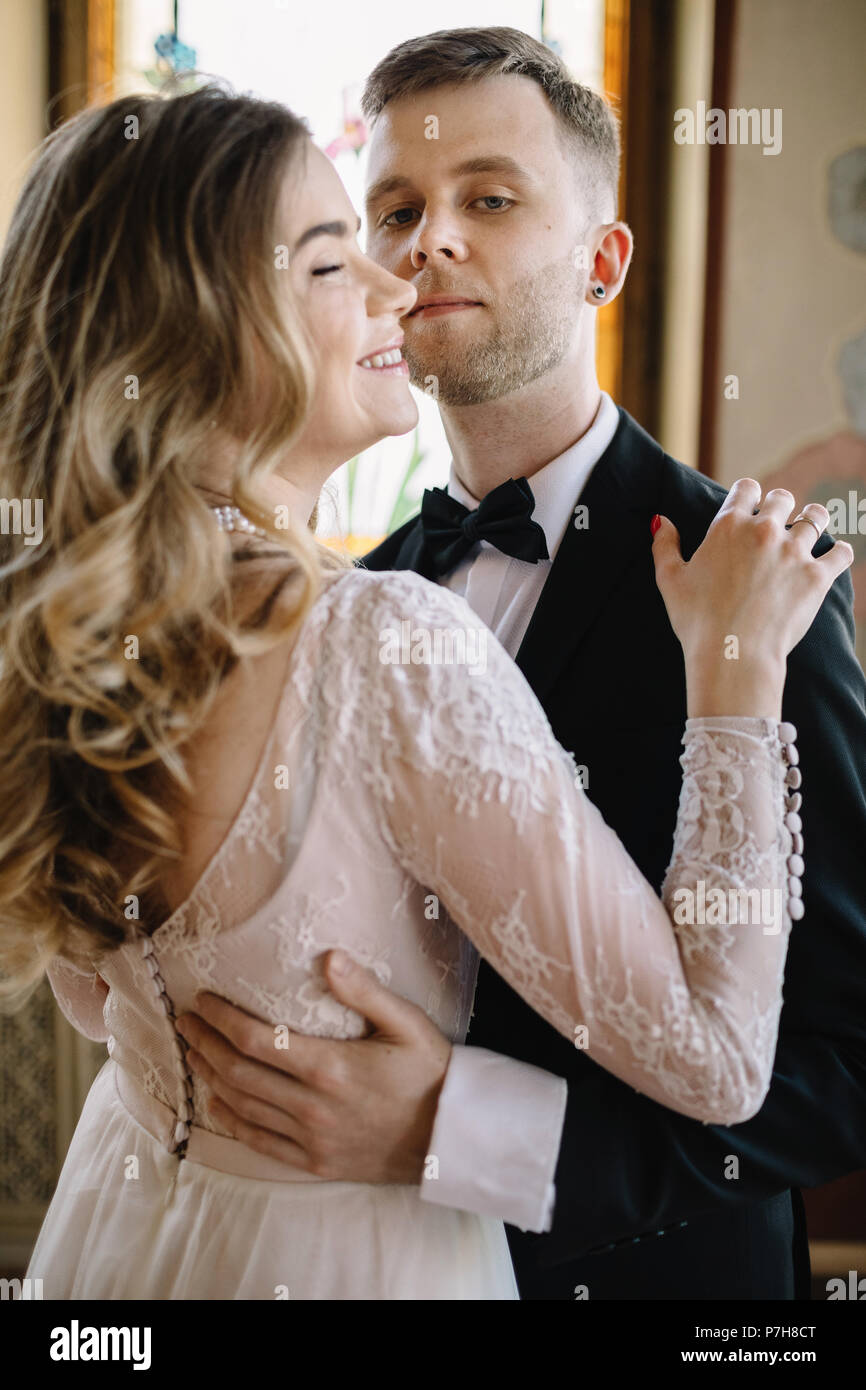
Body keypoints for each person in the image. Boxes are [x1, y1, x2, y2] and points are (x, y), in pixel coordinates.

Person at [1, 82, 847, 1301]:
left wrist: (458, 1132)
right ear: (206, 322)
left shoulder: (758, 580)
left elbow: (843, 1055)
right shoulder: (378, 605)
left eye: (488, 198)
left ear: (603, 260)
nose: (413, 258)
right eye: (375, 223)